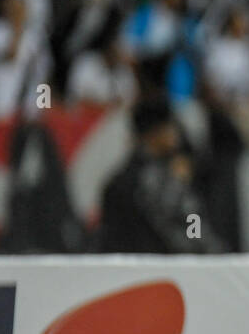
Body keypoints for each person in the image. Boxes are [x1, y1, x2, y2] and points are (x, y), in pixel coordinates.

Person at [94, 91, 227, 253]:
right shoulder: (162, 179)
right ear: (155, 132)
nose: (176, 132)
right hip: (165, 268)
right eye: (171, 126)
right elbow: (193, 228)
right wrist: (184, 188)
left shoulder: (118, 180)